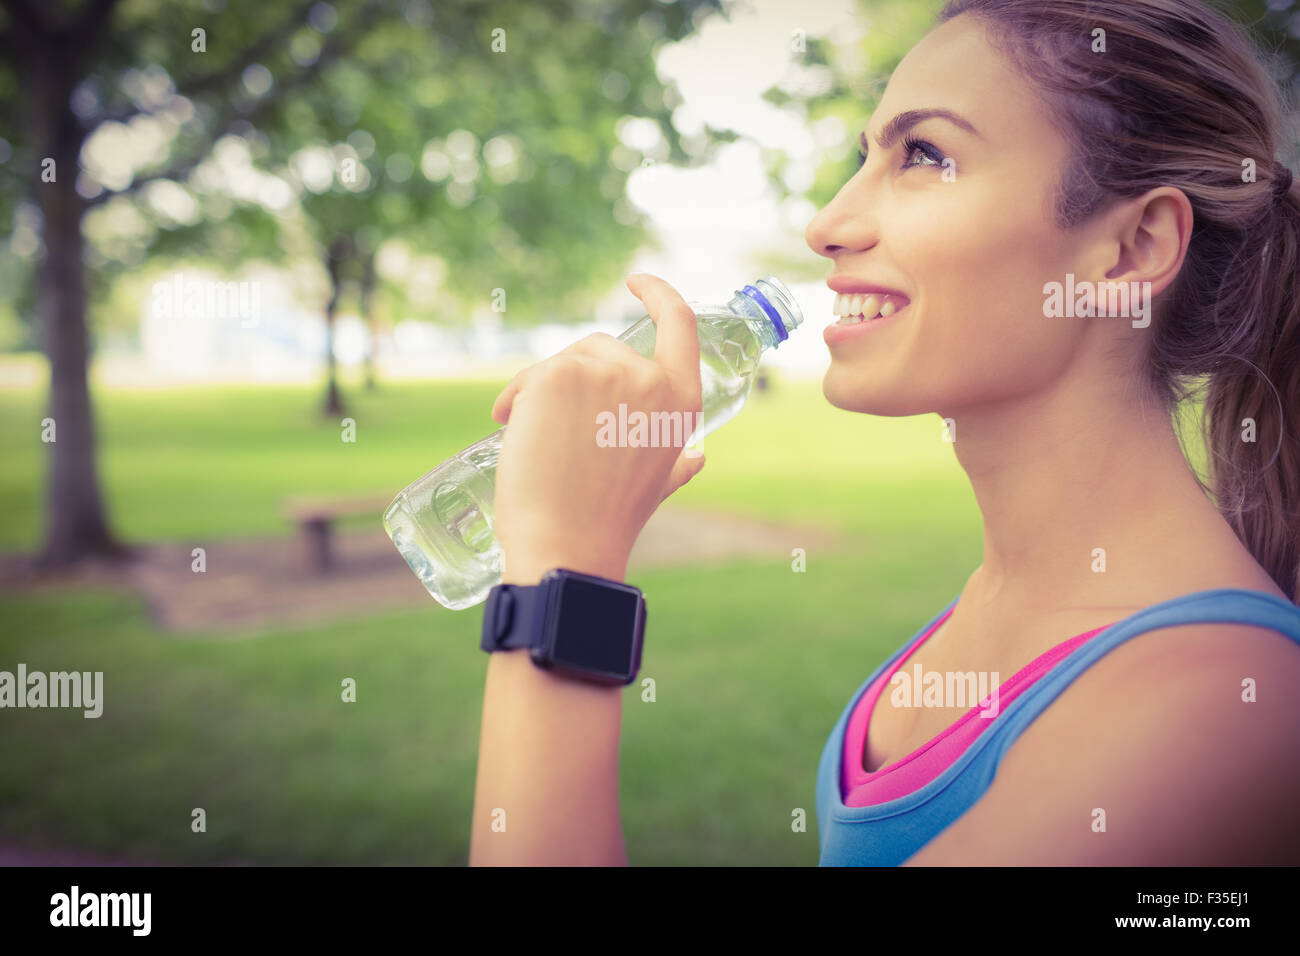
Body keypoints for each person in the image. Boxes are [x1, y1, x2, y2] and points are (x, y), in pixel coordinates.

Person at [468, 0, 1300, 866]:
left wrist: (567, 580)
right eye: (866, 156)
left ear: (1132, 249)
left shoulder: (1220, 704)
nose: (827, 225)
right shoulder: (994, 607)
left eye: (925, 155)